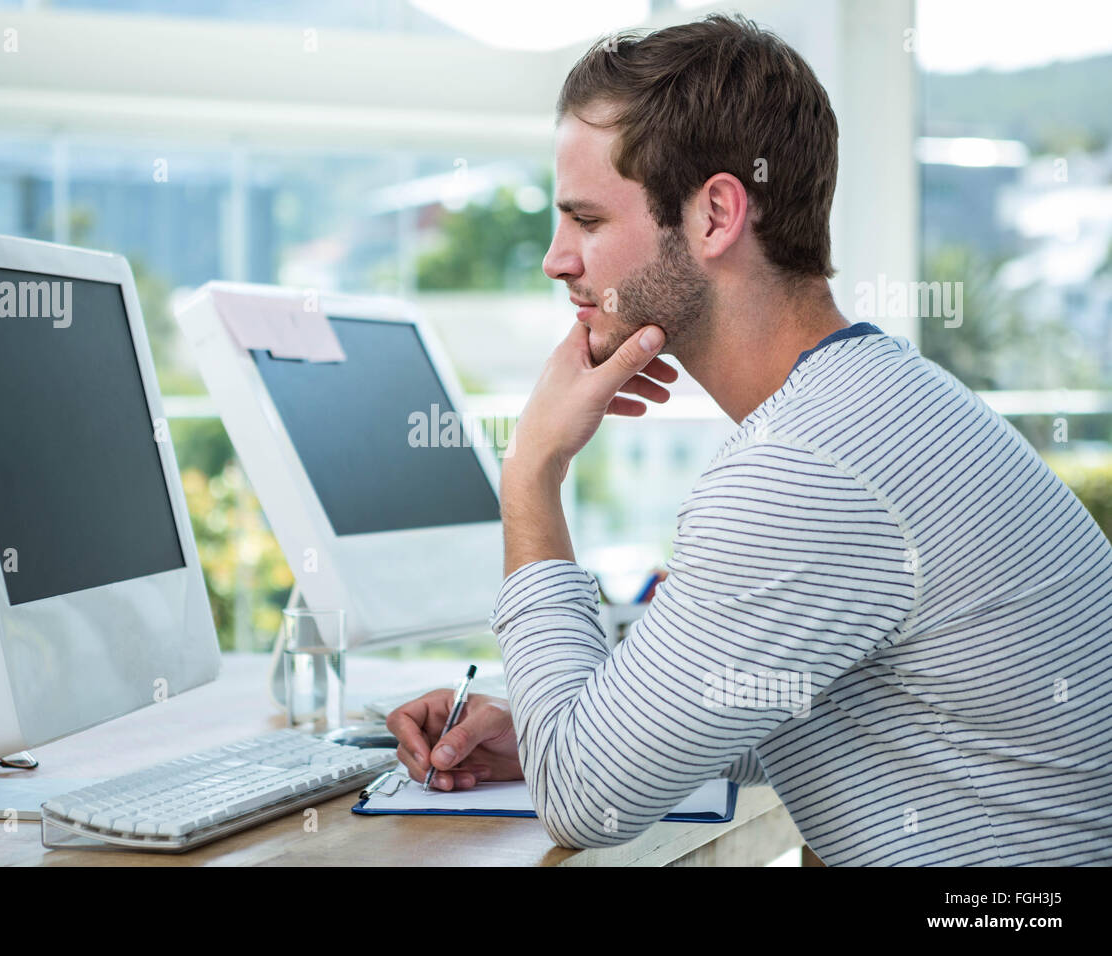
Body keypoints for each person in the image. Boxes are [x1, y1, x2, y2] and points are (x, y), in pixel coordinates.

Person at [386, 14, 1112, 865]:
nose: (555, 259)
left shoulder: (803, 467)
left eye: (585, 220)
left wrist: (532, 474)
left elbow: (582, 803)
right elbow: (833, 700)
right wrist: (564, 728)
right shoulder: (879, 399)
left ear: (716, 214)